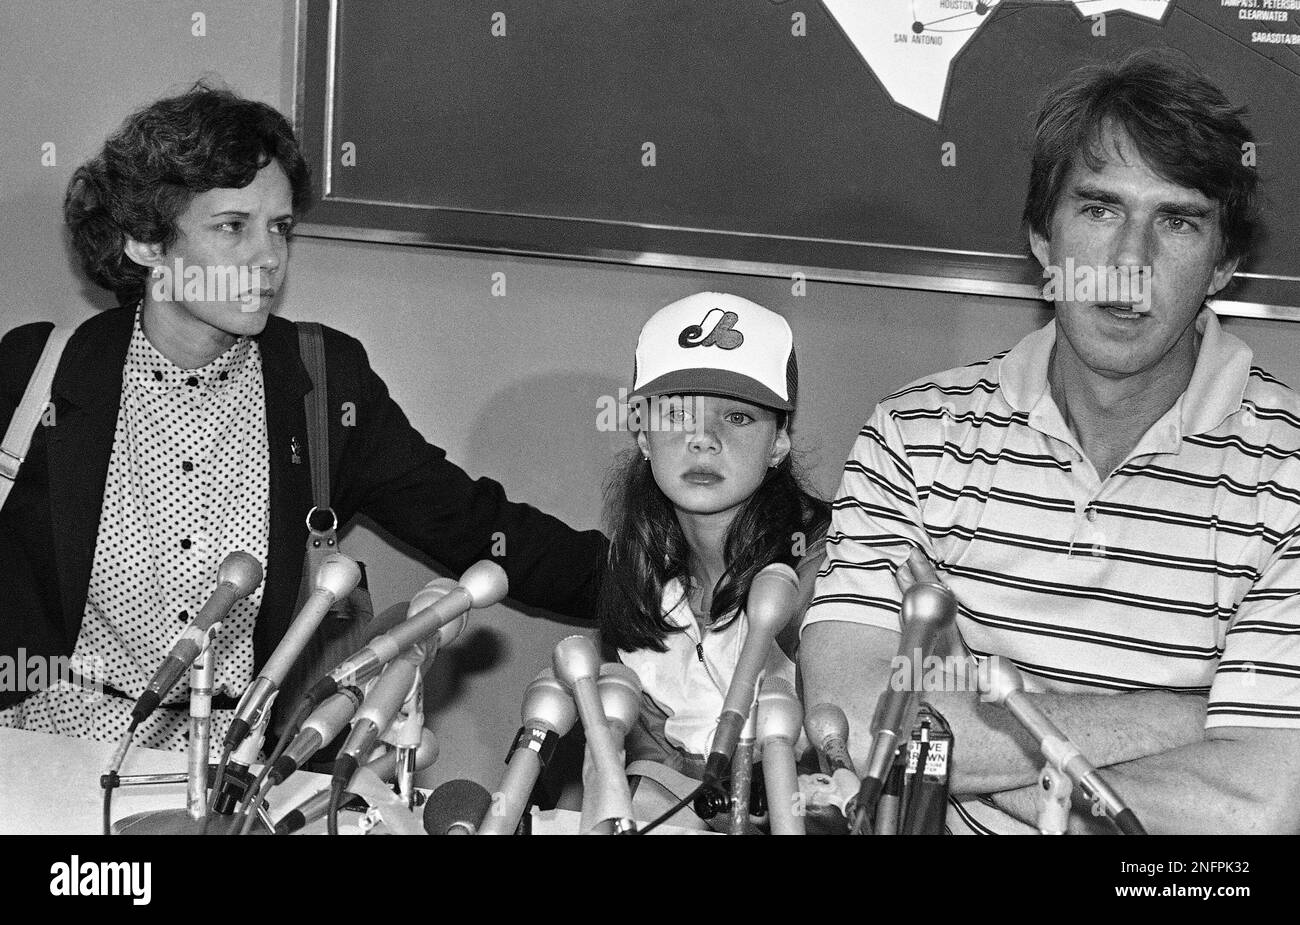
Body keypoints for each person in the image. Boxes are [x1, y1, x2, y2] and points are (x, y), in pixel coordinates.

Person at [0, 83, 605, 751]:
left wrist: (674, 585)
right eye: (233, 226)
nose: (270, 256)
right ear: (146, 243)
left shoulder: (323, 383)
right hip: (44, 756)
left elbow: (474, 525)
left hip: (235, 771)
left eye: (280, 226)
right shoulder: (39, 373)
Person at [800, 52, 1300, 834]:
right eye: (1099, 210)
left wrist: (968, 736)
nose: (1128, 266)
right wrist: (1186, 717)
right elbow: (859, 724)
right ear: (1041, 241)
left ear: (1223, 266)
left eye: (1177, 221)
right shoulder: (914, 436)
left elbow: (1253, 808)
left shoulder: (1290, 478)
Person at [598, 292, 829, 828]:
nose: (703, 439)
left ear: (778, 442)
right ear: (642, 434)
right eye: (676, 412)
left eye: (738, 416)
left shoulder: (825, 564)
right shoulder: (635, 566)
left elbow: (849, 759)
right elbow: (647, 761)